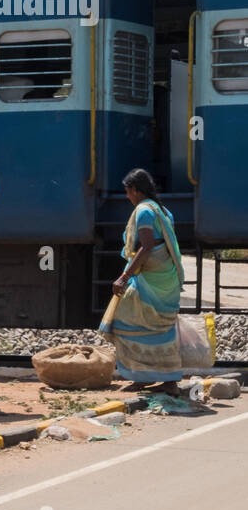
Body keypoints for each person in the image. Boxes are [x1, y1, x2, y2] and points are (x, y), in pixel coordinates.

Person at [99, 168, 184, 393]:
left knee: (126, 321)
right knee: (161, 329)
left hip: (150, 280)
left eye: (128, 191)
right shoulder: (164, 211)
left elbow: (146, 247)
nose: (127, 196)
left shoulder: (144, 211)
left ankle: (143, 375)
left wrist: (123, 277)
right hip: (166, 280)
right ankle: (167, 381)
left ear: (135, 190)